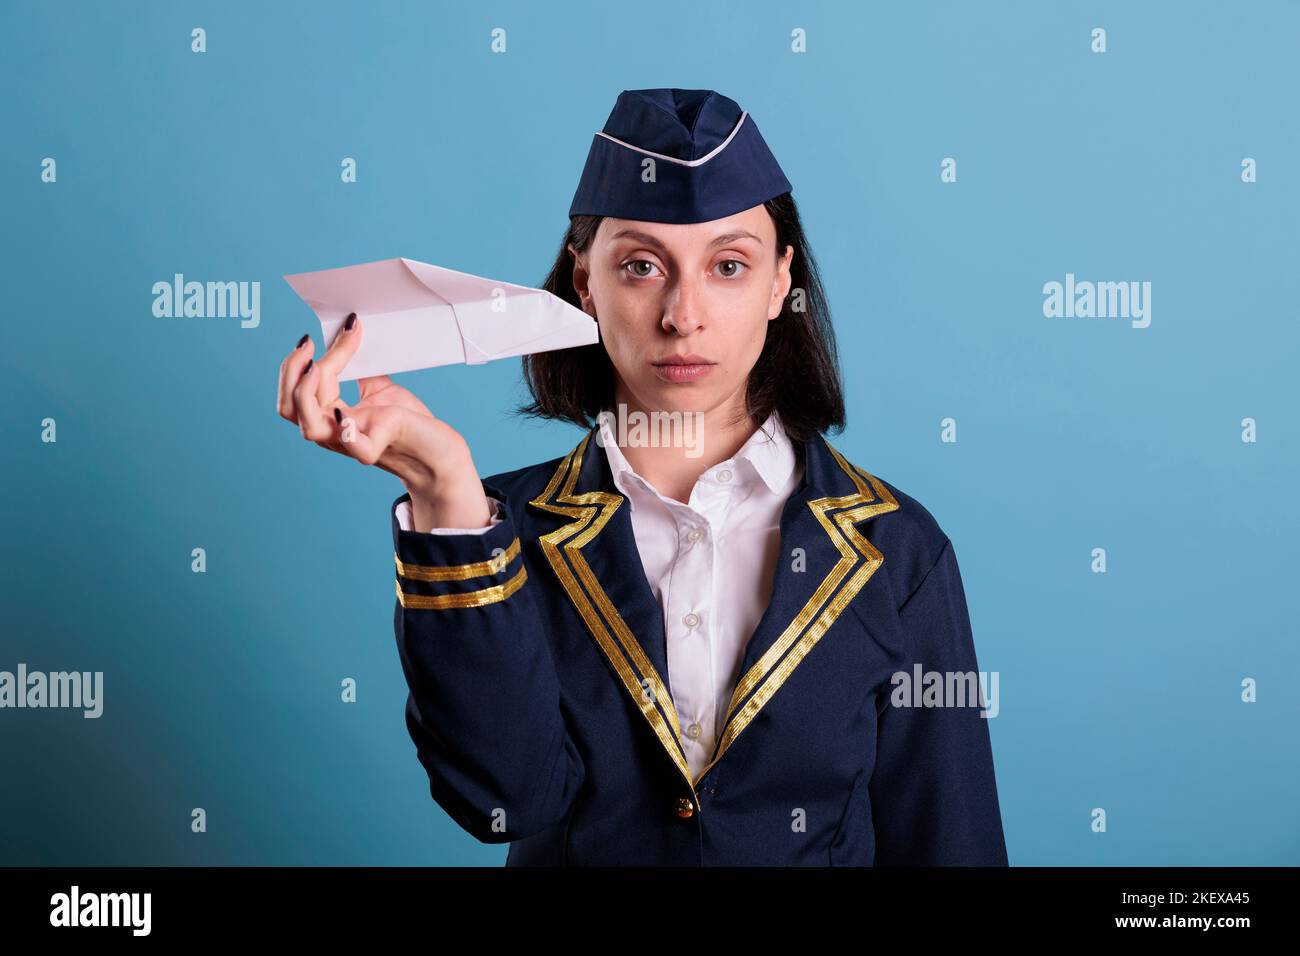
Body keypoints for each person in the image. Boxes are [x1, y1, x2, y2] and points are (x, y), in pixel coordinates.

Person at [276, 88, 1009, 866]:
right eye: (640, 266)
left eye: (729, 265)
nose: (682, 314)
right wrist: (446, 497)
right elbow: (502, 804)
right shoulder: (497, 531)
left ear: (777, 283)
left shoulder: (895, 550)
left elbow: (950, 841)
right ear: (584, 281)